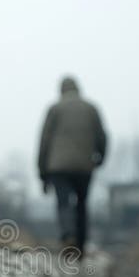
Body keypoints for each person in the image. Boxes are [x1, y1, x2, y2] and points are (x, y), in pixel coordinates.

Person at [38, 76, 107, 254]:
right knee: (82, 204)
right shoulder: (91, 109)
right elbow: (102, 136)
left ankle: (68, 236)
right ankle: (81, 245)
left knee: (63, 203)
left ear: (61, 90)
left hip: (58, 167)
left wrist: (42, 172)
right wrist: (100, 158)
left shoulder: (55, 109)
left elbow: (44, 141)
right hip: (84, 166)